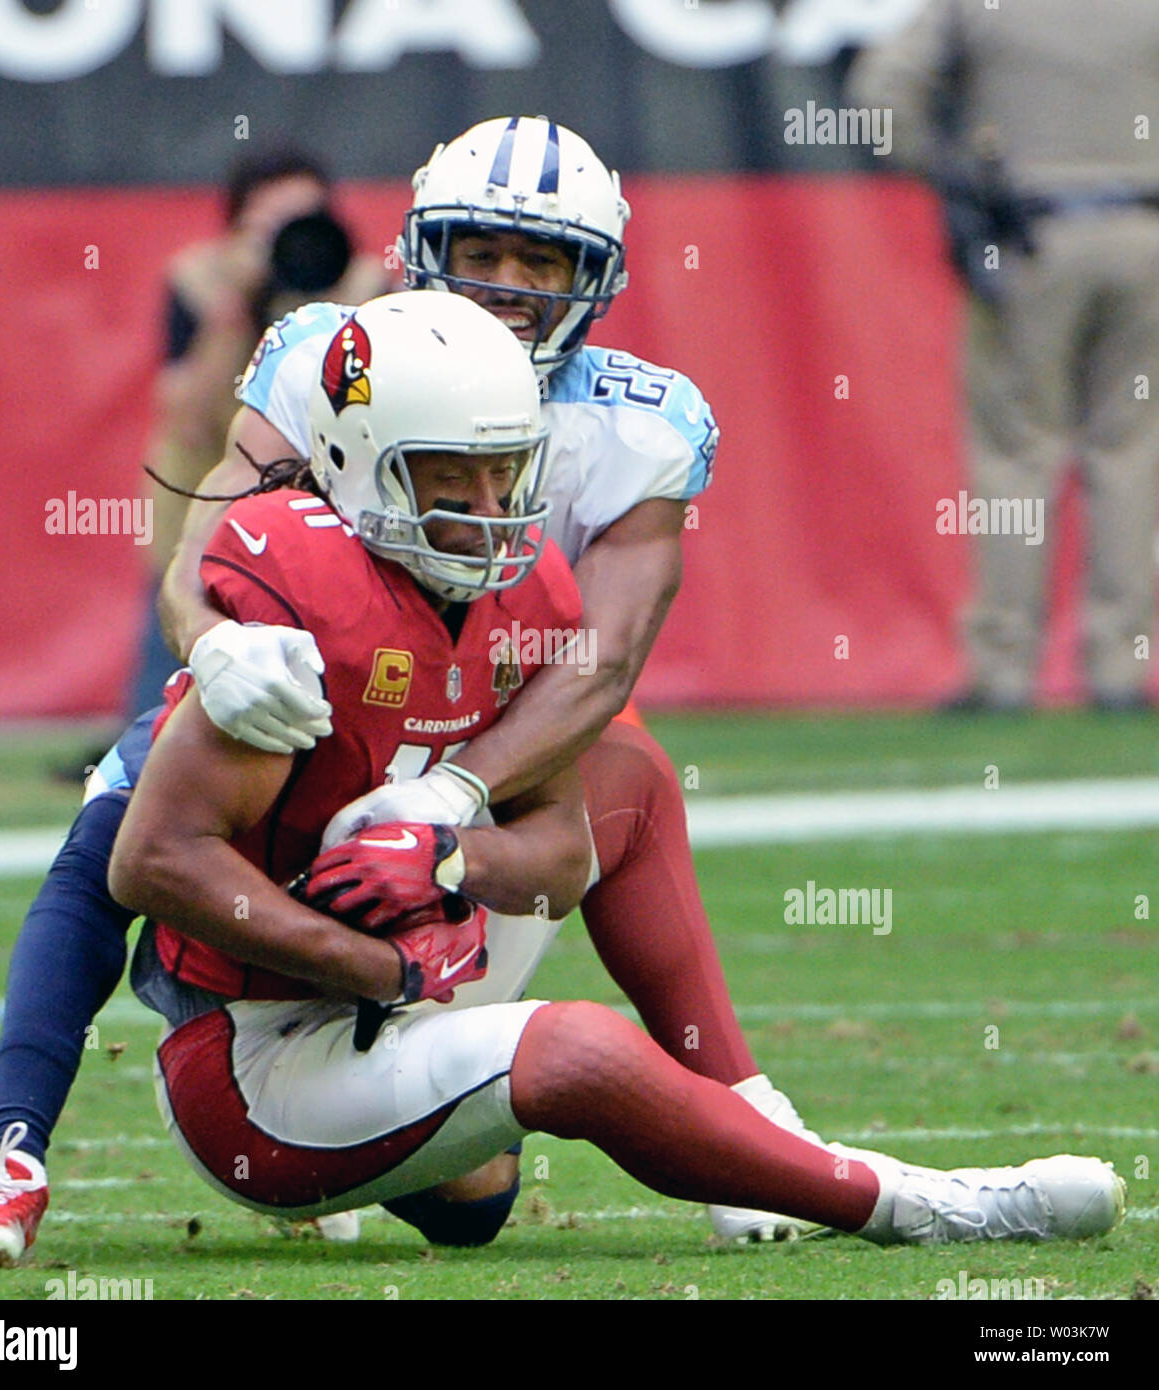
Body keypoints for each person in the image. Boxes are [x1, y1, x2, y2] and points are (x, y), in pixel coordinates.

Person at [0, 118, 875, 1267]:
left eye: (543, 261)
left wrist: (464, 788)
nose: (512, 287)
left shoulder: (638, 418)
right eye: (485, 252)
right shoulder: (338, 353)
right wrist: (213, 643)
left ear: (597, 277)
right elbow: (206, 540)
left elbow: (605, 661)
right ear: (429, 246)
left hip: (487, 729)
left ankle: (740, 1108)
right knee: (121, 806)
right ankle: (11, 1160)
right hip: (317, 703)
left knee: (477, 1188)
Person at [102, 294, 1131, 1250]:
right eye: (453, 473)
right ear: (359, 459)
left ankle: (732, 1113)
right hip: (258, 1058)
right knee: (580, 1052)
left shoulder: (528, 589)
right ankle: (914, 1205)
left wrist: (454, 855)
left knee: (623, 776)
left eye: (506, 468)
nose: (492, 501)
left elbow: (557, 855)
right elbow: (148, 863)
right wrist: (375, 966)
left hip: (414, 976)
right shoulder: (293, 592)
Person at [849, 1, 1159, 711]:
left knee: (1015, 455)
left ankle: (1004, 668)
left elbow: (883, 86)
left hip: (1026, 235)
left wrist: (948, 172)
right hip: (1142, 234)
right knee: (1128, 452)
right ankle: (1118, 670)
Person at [131, 147, 390, 715]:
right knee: (161, 707)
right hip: (205, 508)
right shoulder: (198, 280)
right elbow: (189, 421)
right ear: (237, 227)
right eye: (274, 223)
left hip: (330, 523)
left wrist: (335, 307)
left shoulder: (369, 284)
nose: (291, 238)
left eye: (307, 218)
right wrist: (236, 304)